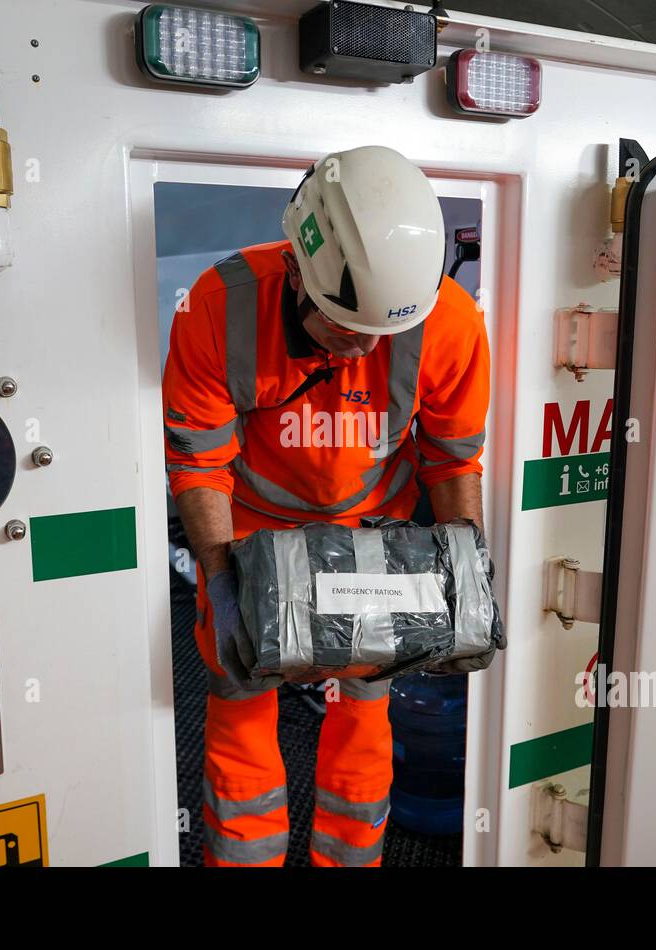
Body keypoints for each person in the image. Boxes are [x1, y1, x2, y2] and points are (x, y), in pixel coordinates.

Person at [162, 145, 490, 866]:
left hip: (375, 543)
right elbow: (197, 464)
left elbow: (453, 459)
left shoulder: (452, 323)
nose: (363, 348)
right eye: (344, 327)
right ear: (298, 272)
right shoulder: (215, 309)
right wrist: (222, 588)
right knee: (241, 711)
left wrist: (467, 580)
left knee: (362, 716)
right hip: (247, 541)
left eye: (382, 331)